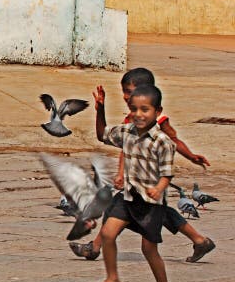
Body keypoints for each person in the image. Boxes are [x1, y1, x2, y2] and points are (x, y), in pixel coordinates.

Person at [70, 68, 214, 263]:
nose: (124, 96)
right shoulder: (131, 121)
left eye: (129, 91)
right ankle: (199, 240)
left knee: (124, 209)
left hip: (151, 181)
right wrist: (121, 173)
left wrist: (191, 156)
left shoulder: (158, 121)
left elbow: (174, 140)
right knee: (157, 212)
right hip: (135, 182)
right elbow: (125, 149)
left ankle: (95, 247)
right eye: (124, 91)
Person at [90, 84, 174, 282]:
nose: (138, 114)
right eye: (133, 109)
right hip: (128, 197)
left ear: (158, 111)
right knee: (108, 234)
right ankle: (112, 277)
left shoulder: (163, 142)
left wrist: (158, 189)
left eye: (144, 109)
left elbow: (167, 174)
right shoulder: (126, 132)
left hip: (151, 203)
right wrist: (100, 109)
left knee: (148, 248)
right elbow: (102, 135)